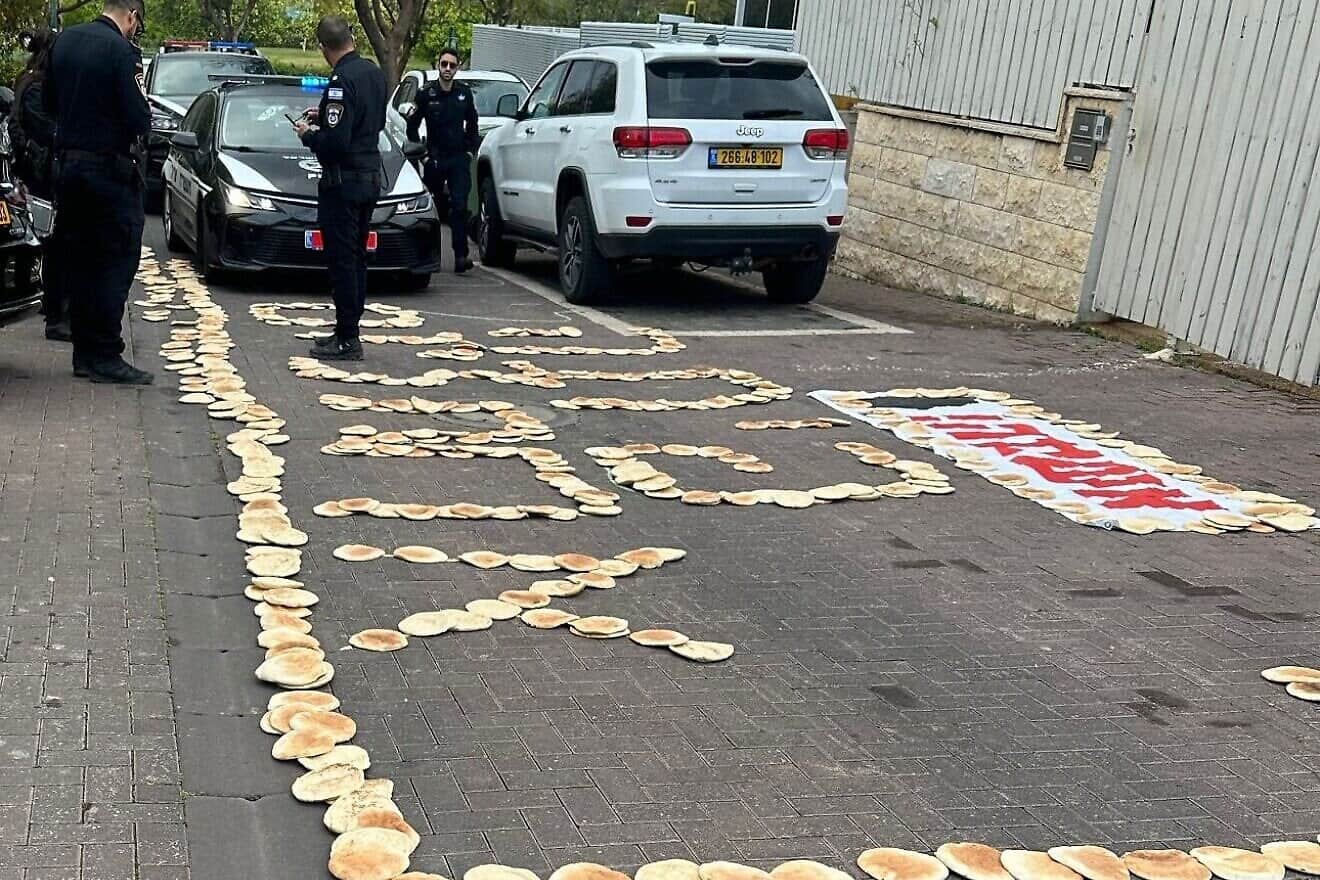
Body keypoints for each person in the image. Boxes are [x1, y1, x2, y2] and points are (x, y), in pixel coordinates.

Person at [44, 0, 152, 384]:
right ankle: (106, 353)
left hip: (69, 167)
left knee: (80, 262)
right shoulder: (122, 52)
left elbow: (48, 103)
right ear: (131, 16)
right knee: (115, 260)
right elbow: (139, 117)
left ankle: (83, 353)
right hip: (109, 171)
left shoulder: (65, 41)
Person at [293, 15, 387, 362]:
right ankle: (348, 329)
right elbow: (364, 120)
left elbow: (336, 144)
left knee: (342, 260)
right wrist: (323, 116)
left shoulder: (340, 80)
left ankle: (348, 337)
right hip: (369, 178)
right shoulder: (374, 73)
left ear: (323, 48)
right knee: (358, 257)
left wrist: (308, 134)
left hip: (343, 183)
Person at [10, 28, 66, 342]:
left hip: (34, 168)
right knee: (49, 237)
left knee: (42, 235)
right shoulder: (35, 87)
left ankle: (45, 297)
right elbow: (46, 129)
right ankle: (49, 303)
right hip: (39, 171)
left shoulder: (27, 81)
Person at [407, 47, 478, 274]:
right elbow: (412, 126)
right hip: (435, 158)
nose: (447, 69)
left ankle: (461, 255)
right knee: (433, 209)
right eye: (444, 64)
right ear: (438, 65)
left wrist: (469, 150)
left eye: (452, 65)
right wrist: (423, 155)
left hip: (457, 158)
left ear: (458, 68)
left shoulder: (464, 94)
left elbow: (473, 124)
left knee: (459, 206)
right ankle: (429, 256)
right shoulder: (426, 93)